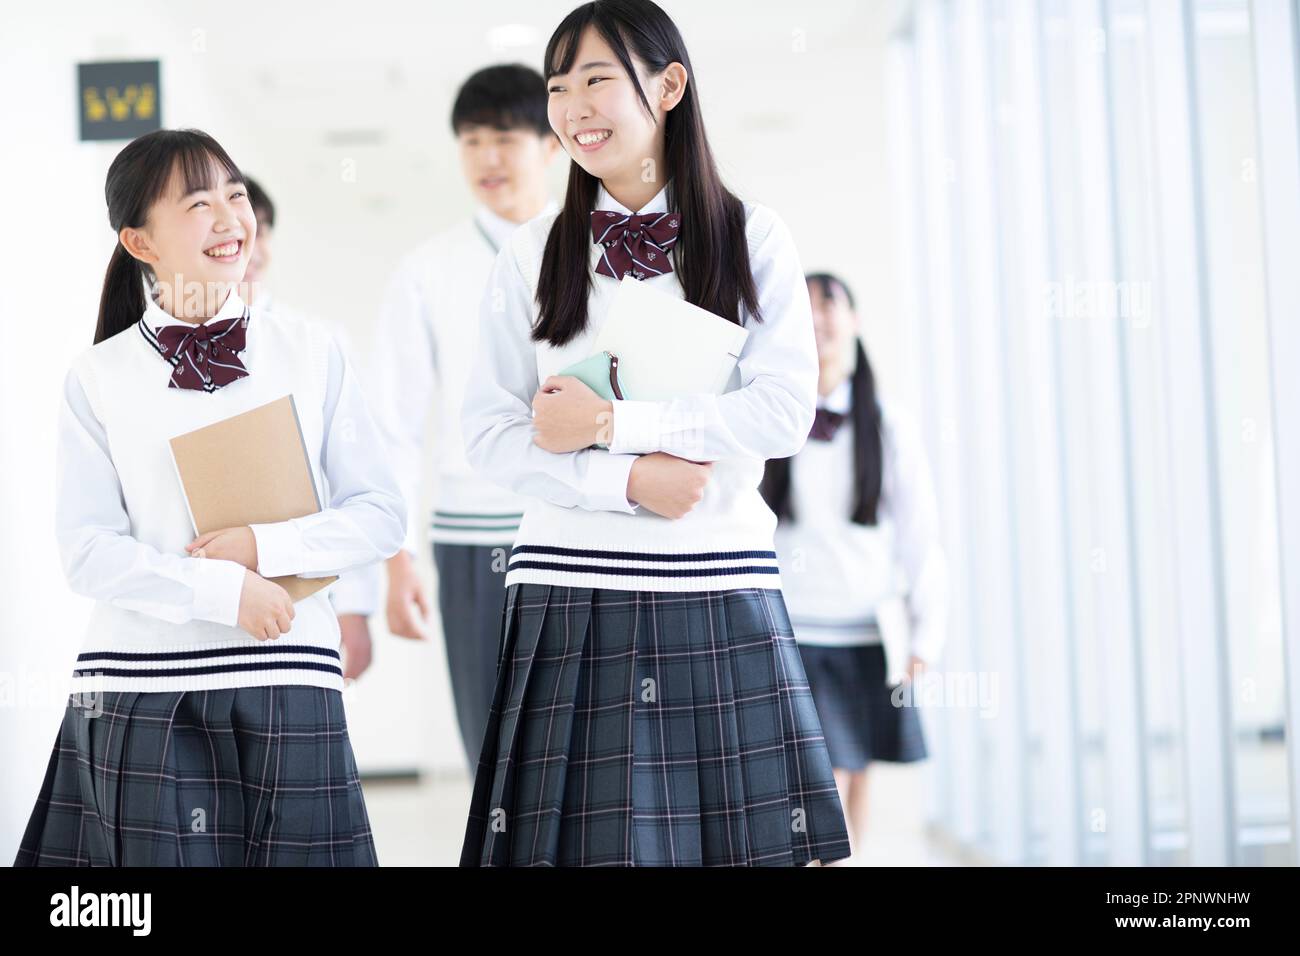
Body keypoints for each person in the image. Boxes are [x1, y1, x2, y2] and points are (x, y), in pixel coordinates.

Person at [458, 0, 851, 867]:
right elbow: (487, 433)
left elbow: (785, 410)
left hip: (719, 578)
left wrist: (611, 423)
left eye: (596, 79)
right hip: (570, 582)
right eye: (559, 88)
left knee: (741, 851)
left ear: (669, 86)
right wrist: (624, 479)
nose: (573, 107)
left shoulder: (754, 237)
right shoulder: (532, 251)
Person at [14, 128, 406, 866]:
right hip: (144, 684)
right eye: (199, 202)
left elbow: (381, 512)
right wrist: (223, 591)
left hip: (287, 670)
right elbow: (88, 553)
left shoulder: (311, 348)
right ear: (139, 241)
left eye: (235, 194)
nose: (231, 216)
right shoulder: (97, 375)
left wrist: (267, 549)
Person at [367, 64, 561, 767]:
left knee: (590, 756)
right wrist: (399, 557)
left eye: (506, 137)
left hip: (587, 529)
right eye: (471, 140)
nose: (487, 157)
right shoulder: (427, 270)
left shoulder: (598, 251)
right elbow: (389, 422)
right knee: (493, 752)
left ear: (552, 144)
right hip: (473, 536)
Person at [762, 272, 948, 863]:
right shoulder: (770, 414)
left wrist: (928, 632)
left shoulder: (887, 424)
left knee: (855, 771)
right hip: (794, 626)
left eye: (829, 305)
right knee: (826, 777)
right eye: (805, 307)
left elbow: (920, 533)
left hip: (866, 629)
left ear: (854, 320)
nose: (817, 319)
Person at [241, 175, 377, 681]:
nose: (251, 246)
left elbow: (357, 486)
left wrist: (357, 607)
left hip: (308, 590)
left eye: (262, 230)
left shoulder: (318, 343)